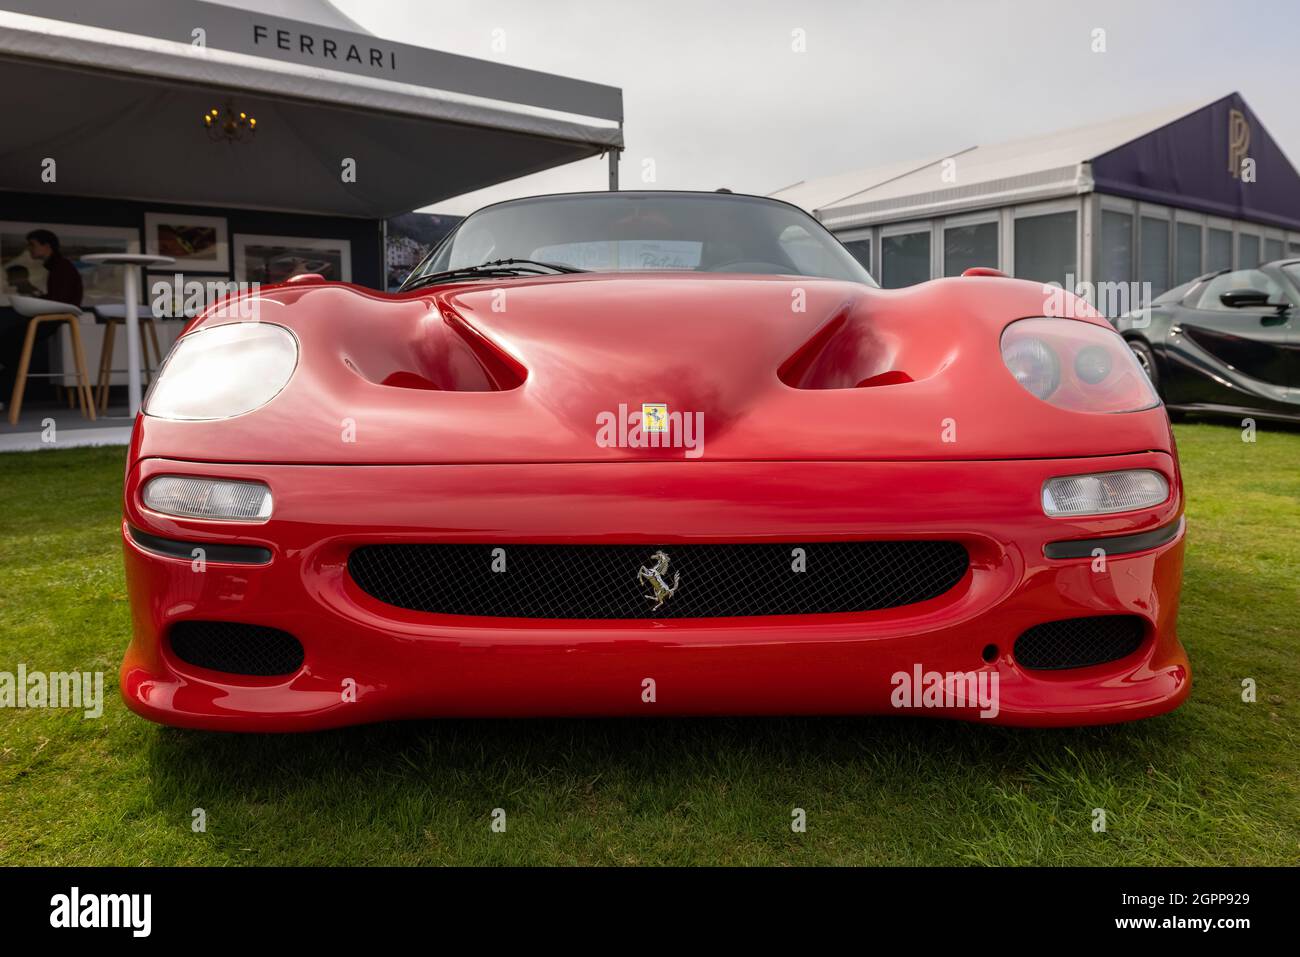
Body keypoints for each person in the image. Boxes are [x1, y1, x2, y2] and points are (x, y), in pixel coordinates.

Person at [1, 229, 84, 410]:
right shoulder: (58, 267)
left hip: (58, 318)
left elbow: (59, 299)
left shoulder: (62, 267)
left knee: (10, 340)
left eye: (32, 245)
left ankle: (7, 393)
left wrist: (38, 299)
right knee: (11, 340)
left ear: (47, 246)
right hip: (56, 316)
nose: (29, 249)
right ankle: (8, 391)